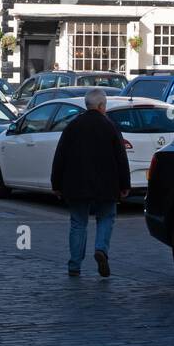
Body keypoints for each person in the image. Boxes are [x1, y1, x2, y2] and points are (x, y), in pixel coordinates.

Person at [50, 89, 131, 278]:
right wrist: (125, 185)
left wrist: (56, 183)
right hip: (107, 184)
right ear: (102, 106)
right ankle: (101, 249)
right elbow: (121, 158)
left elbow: (60, 155)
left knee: (78, 223)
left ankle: (74, 265)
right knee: (106, 217)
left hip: (76, 184)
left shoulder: (73, 126)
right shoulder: (110, 126)